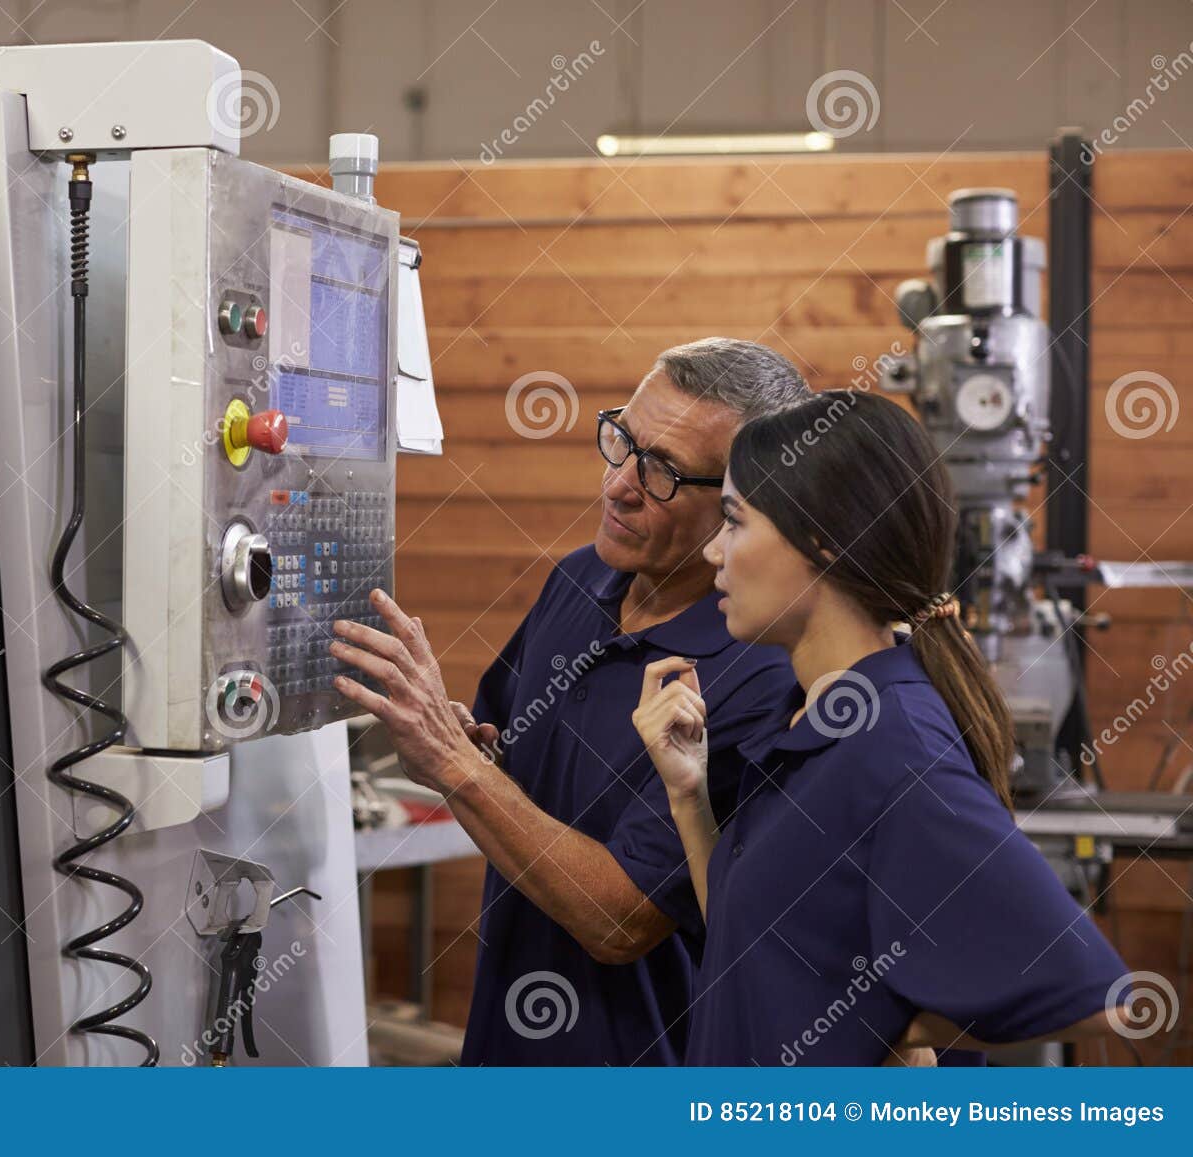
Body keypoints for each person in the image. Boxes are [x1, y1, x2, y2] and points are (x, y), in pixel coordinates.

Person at [331, 338, 809, 1064]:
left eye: (664, 474)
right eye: (623, 442)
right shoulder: (580, 581)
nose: (620, 484)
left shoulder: (756, 675)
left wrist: (458, 766)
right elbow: (508, 768)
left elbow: (620, 920)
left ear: (744, 505)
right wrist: (456, 744)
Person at [633, 389, 1130, 1065]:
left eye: (734, 521)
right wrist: (689, 797)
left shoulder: (891, 746)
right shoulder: (810, 717)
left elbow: (1099, 996)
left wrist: (898, 1030)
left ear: (823, 542)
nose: (715, 552)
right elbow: (755, 946)